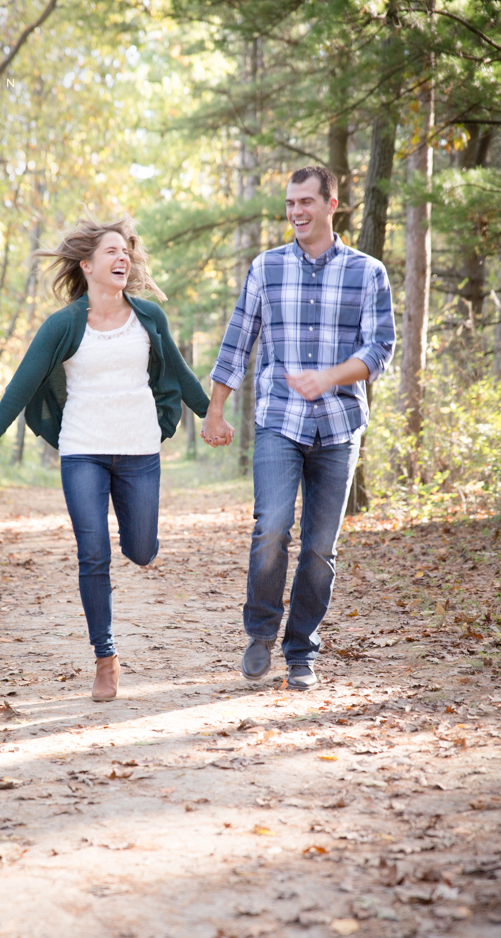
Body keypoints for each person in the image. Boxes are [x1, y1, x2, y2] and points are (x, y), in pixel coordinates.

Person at [0, 217, 210, 702]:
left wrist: (211, 416)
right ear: (87, 265)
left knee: (139, 550)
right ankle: (105, 658)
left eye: (126, 252)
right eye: (112, 252)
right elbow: (20, 387)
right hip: (82, 452)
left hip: (139, 451)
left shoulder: (149, 318)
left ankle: (138, 550)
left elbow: (179, 371)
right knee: (92, 554)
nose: (123, 258)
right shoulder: (64, 324)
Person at [201, 166, 396, 690]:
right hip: (279, 420)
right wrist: (215, 409)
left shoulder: (368, 272)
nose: (296, 212)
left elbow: (380, 350)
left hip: (339, 426)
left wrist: (329, 378)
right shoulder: (267, 268)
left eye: (307, 202)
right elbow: (238, 340)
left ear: (333, 205)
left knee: (319, 547)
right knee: (270, 529)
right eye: (290, 203)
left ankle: (301, 650)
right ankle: (261, 632)